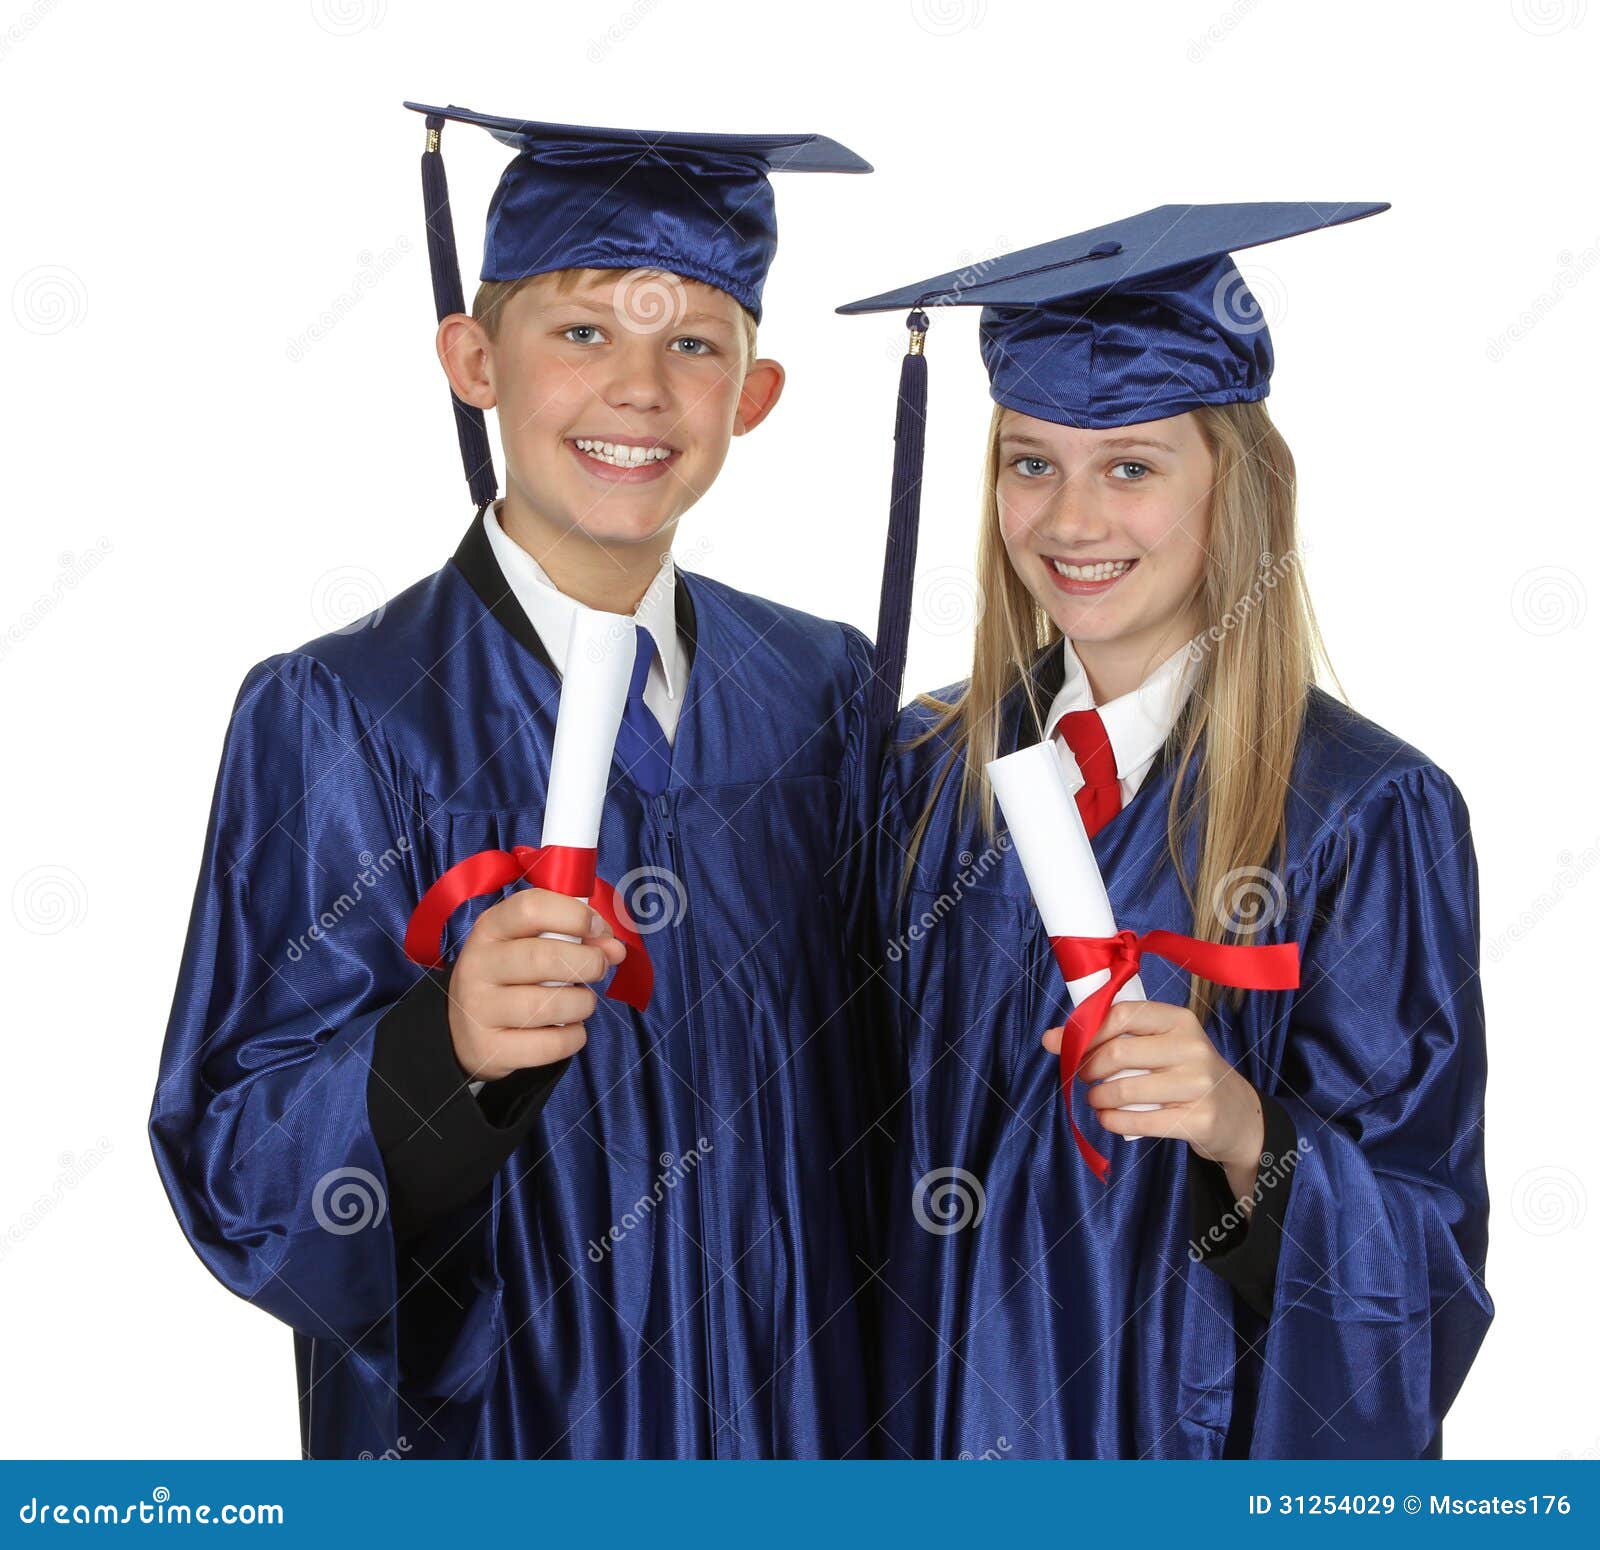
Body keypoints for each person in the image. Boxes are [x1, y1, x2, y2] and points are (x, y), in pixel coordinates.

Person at [150, 103, 882, 1459]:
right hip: (506, 1445)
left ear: (755, 395)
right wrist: (440, 1053)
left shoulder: (822, 692)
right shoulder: (343, 712)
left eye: (695, 345)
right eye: (584, 331)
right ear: (474, 357)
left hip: (801, 1428)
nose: (640, 392)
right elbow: (239, 1165)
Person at [839, 203, 1493, 1458]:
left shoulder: (1359, 811)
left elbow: (1423, 1265)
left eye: (1130, 465)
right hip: (929, 1434)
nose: (1071, 521)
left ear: (1232, 486)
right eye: (1031, 461)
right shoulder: (924, 774)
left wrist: (1249, 1131)